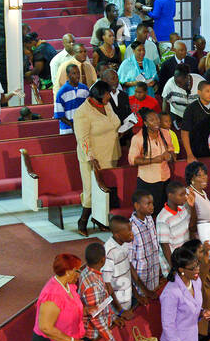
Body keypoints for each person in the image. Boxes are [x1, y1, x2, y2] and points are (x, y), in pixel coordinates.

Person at [71, 81, 122, 237]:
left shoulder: (106, 105)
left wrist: (122, 129)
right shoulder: (82, 112)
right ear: (99, 94)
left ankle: (99, 220)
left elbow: (114, 123)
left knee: (106, 190)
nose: (109, 96)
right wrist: (90, 157)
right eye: (107, 93)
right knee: (91, 190)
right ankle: (82, 221)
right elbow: (82, 138)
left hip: (111, 153)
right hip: (94, 157)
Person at [128, 107, 174, 213]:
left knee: (164, 211)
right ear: (145, 123)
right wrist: (153, 160)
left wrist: (170, 156)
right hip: (148, 181)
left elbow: (171, 150)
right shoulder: (138, 138)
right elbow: (133, 161)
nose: (156, 122)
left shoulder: (165, 133)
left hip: (165, 178)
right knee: (149, 212)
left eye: (157, 119)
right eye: (152, 120)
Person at [180, 78, 210, 165]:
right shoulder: (191, 109)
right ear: (199, 92)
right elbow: (184, 132)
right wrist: (189, 154)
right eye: (207, 91)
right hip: (196, 150)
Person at [53, 64, 90, 135]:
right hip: (67, 129)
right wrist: (71, 124)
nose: (77, 76)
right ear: (68, 75)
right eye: (74, 73)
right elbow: (59, 114)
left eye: (78, 73)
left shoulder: (84, 88)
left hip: (83, 127)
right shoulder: (62, 91)